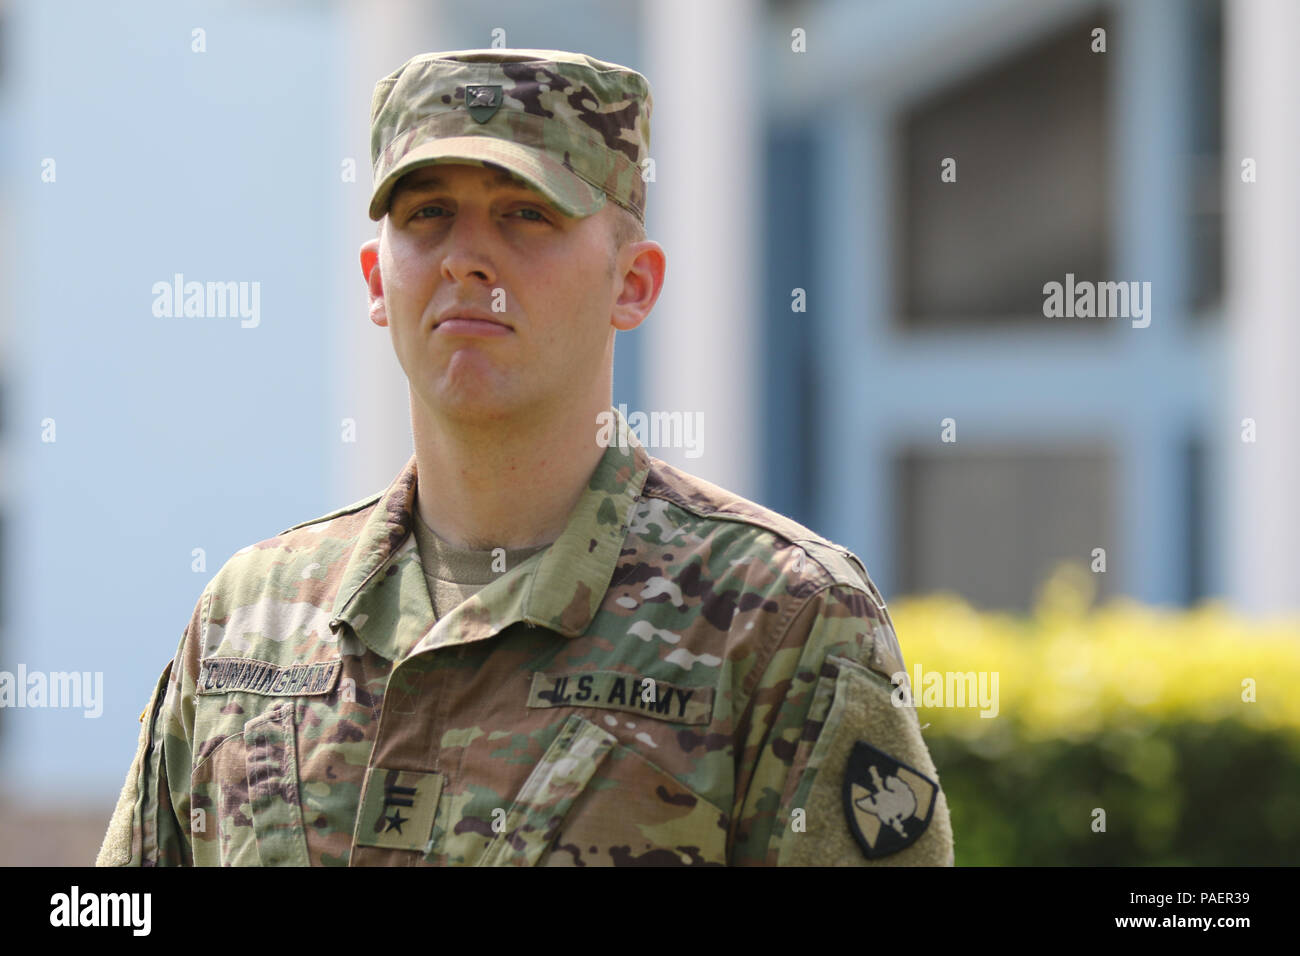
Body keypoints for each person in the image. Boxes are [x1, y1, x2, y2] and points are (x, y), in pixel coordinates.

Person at [96, 48, 954, 867]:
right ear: (373, 280)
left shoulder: (776, 621)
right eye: (427, 214)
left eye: (527, 213)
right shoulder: (251, 619)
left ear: (634, 283)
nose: (467, 259)